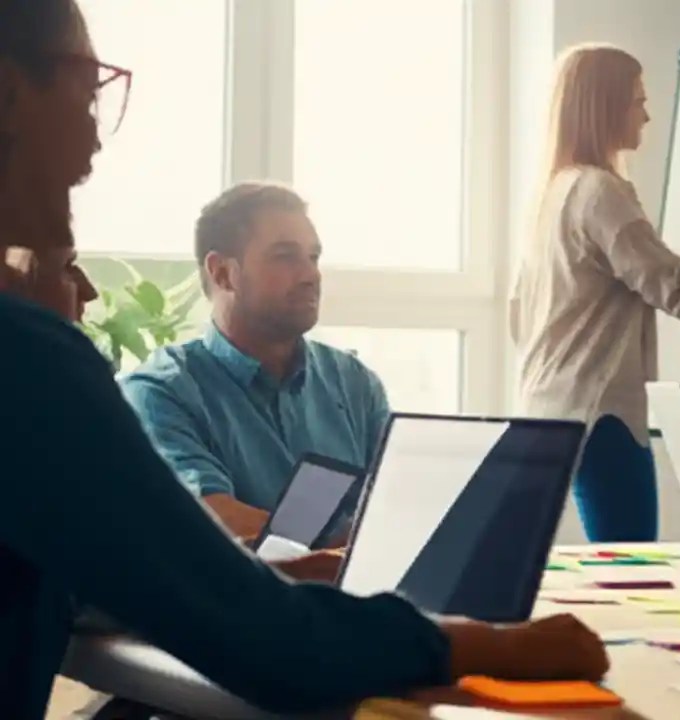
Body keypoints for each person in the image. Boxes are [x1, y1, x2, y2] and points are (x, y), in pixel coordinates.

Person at [0, 2, 606, 716]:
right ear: (9, 91)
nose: (96, 135)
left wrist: (297, 574)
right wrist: (494, 647)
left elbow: (126, 580)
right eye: (88, 87)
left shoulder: (350, 381)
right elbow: (258, 636)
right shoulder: (34, 365)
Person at [510, 43, 680, 542]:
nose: (647, 116)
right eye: (638, 101)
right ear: (607, 107)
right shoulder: (600, 192)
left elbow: (518, 315)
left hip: (548, 406)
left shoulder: (550, 195)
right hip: (601, 412)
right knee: (629, 562)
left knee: (608, 561)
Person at [119, 183, 382, 580]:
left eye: (313, 257)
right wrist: (351, 553)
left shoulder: (355, 384)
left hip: (359, 608)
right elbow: (211, 521)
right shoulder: (161, 392)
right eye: (285, 256)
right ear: (222, 272)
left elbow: (398, 511)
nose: (310, 275)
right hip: (240, 613)